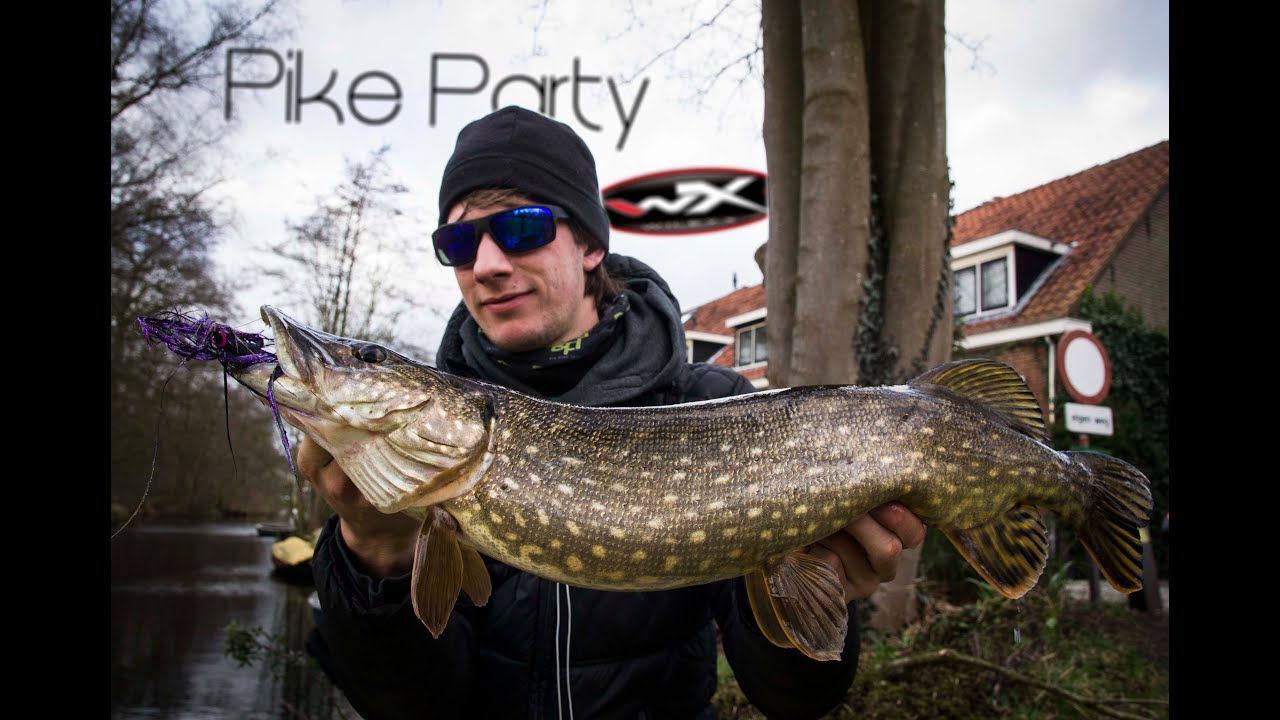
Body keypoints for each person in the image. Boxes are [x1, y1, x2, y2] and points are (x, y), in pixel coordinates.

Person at [298, 105, 927, 720]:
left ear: (591, 245)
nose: (488, 264)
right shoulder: (430, 461)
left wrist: (824, 586)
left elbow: (794, 701)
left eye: (522, 228)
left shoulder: (719, 409)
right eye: (459, 242)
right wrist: (375, 559)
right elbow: (406, 705)